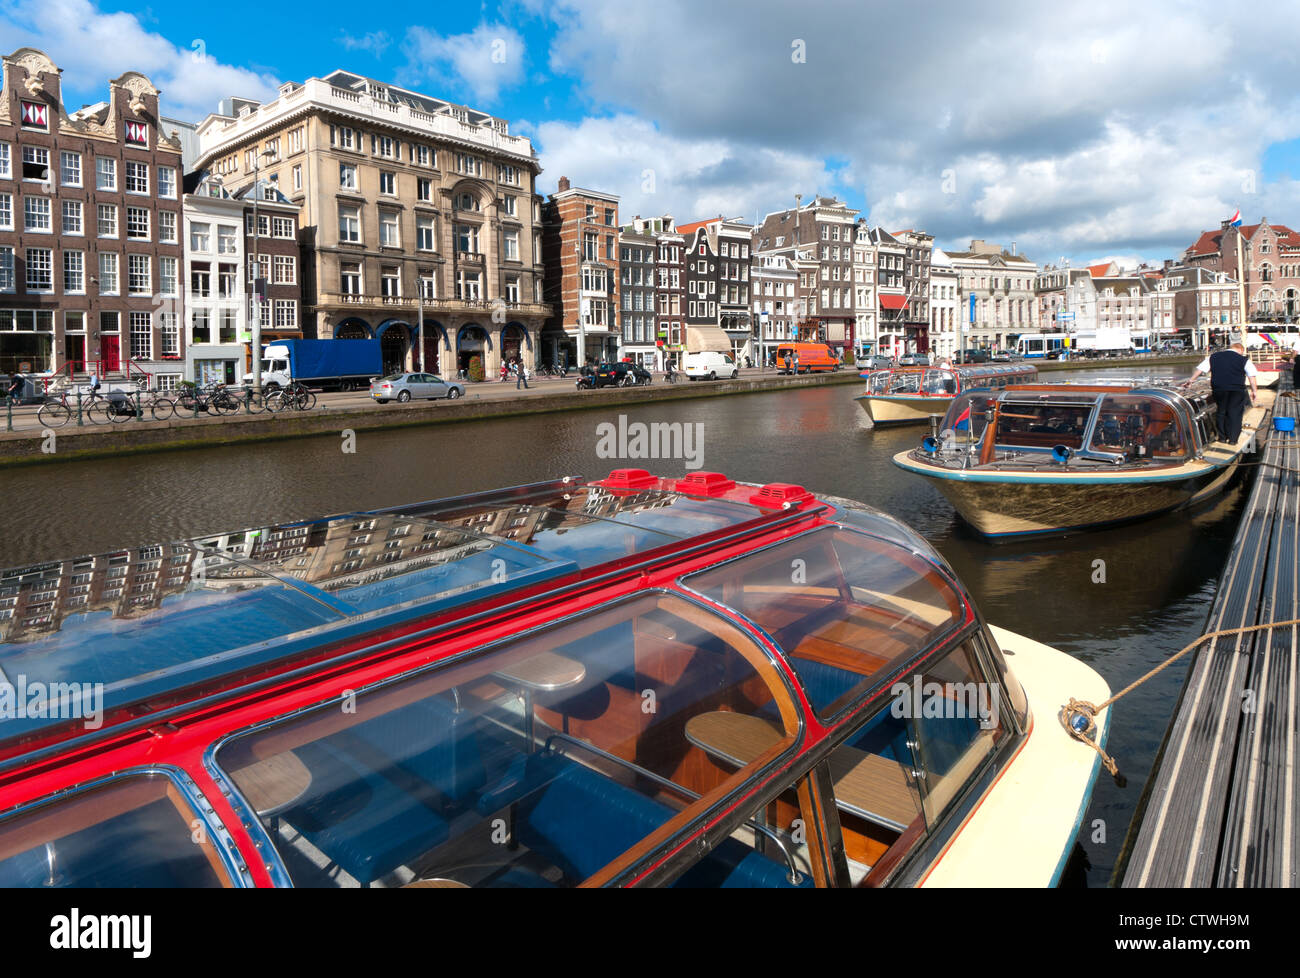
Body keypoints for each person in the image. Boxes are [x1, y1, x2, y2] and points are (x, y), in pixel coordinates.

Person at [1188, 341, 1258, 443]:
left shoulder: (1213, 357)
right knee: (1235, 413)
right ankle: (1233, 439)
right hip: (1236, 389)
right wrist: (1254, 391)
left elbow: (1200, 369)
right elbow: (1251, 376)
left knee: (1221, 411)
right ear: (1240, 350)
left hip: (1219, 388)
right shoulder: (1244, 359)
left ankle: (1222, 437)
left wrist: (1191, 381)